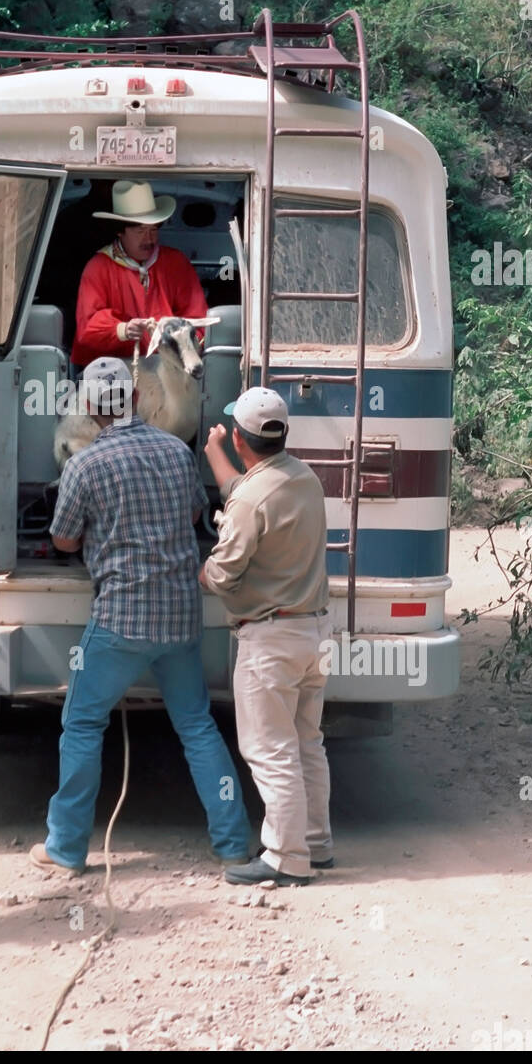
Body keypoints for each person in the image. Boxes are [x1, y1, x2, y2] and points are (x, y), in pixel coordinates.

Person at [31, 357, 250, 874]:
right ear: (132, 399)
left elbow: (63, 538)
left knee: (83, 724)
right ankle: (235, 843)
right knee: (196, 726)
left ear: (87, 407)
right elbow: (197, 511)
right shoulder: (177, 451)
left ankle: (65, 848)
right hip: (179, 615)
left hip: (118, 622)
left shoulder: (84, 465)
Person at [199, 387, 332, 888]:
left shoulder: (251, 499)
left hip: (271, 639)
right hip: (315, 630)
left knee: (270, 750)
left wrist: (202, 572)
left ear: (240, 437)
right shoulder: (305, 478)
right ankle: (316, 844)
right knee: (306, 744)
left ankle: (285, 857)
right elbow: (252, 493)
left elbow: (223, 574)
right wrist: (218, 457)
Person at [71, 180, 209, 367]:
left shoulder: (176, 262)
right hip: (114, 372)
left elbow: (197, 318)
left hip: (170, 368)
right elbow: (87, 329)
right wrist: (122, 330)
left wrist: (183, 339)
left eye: (153, 229)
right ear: (120, 231)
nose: (149, 238)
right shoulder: (98, 267)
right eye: (140, 230)